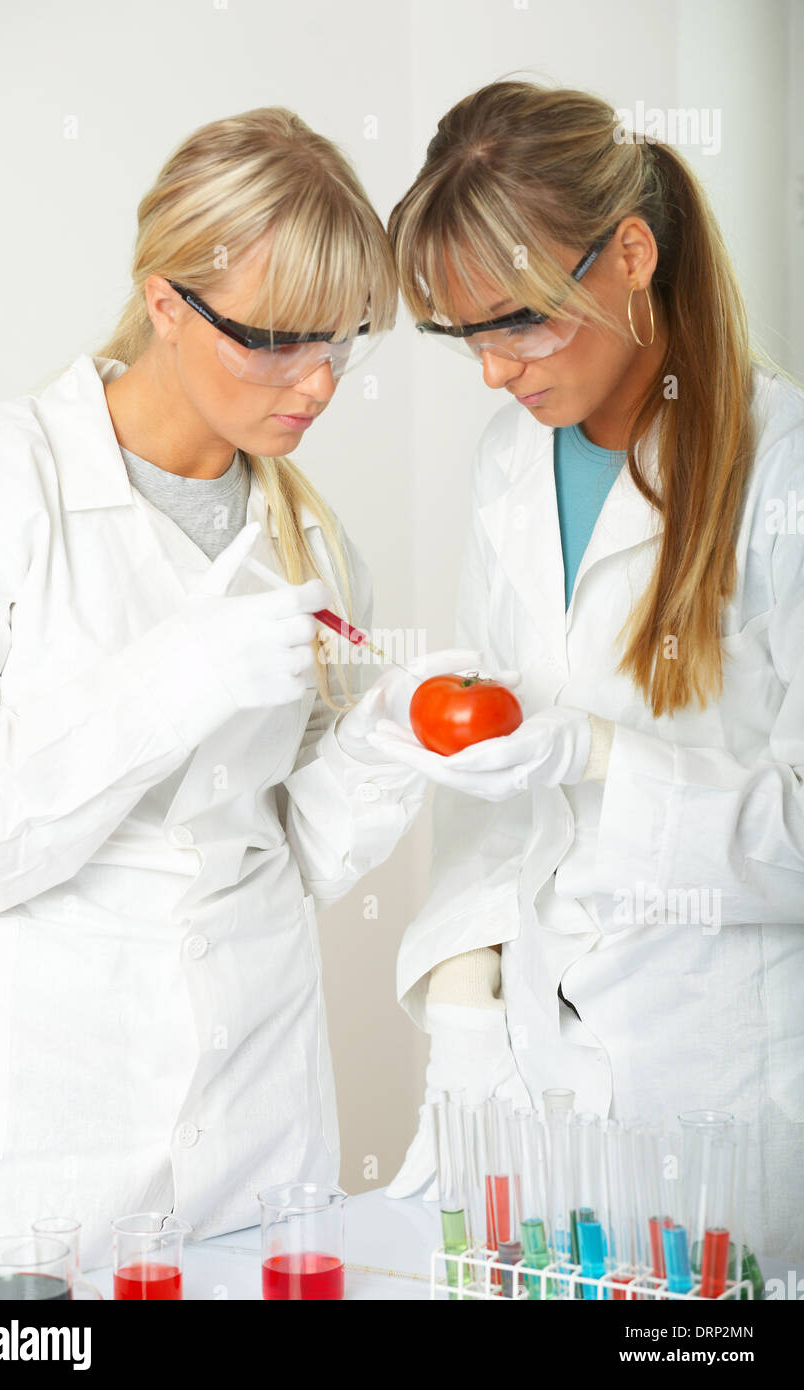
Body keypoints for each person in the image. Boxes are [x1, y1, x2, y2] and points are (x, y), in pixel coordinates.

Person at [0, 107, 460, 1284]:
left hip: (257, 1127)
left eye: (346, 340)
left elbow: (289, 854)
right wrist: (171, 683)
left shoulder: (312, 546)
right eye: (277, 338)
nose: (320, 381)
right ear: (167, 300)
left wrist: (389, 741)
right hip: (49, 1143)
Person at [373, 79, 804, 1262]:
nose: (492, 371)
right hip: (535, 1082)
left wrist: (614, 760)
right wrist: (462, 999)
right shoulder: (508, 463)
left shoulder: (785, 474)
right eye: (464, 333)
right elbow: (492, 782)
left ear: (629, 254)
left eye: (520, 319)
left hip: (722, 1086)